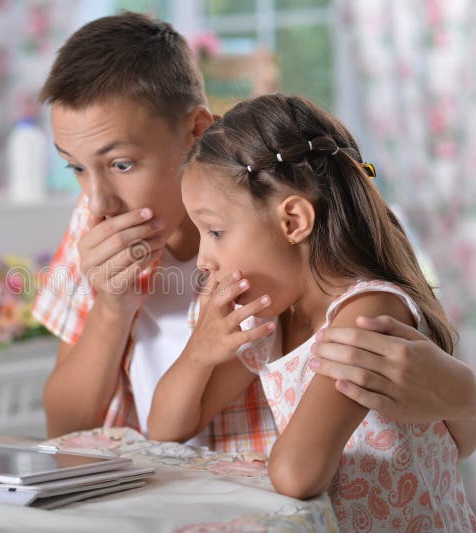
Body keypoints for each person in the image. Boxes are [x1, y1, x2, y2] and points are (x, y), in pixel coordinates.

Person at [32, 11, 476, 458]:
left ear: (197, 131)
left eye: (121, 164)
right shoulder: (96, 228)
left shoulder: (274, 248)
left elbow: (431, 434)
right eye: (76, 167)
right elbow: (67, 430)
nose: (99, 199)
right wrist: (111, 307)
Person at [148, 93, 475, 529]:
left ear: (293, 222)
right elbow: (165, 430)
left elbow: (297, 473)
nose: (204, 259)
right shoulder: (273, 323)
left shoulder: (369, 313)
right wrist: (199, 353)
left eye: (216, 231)